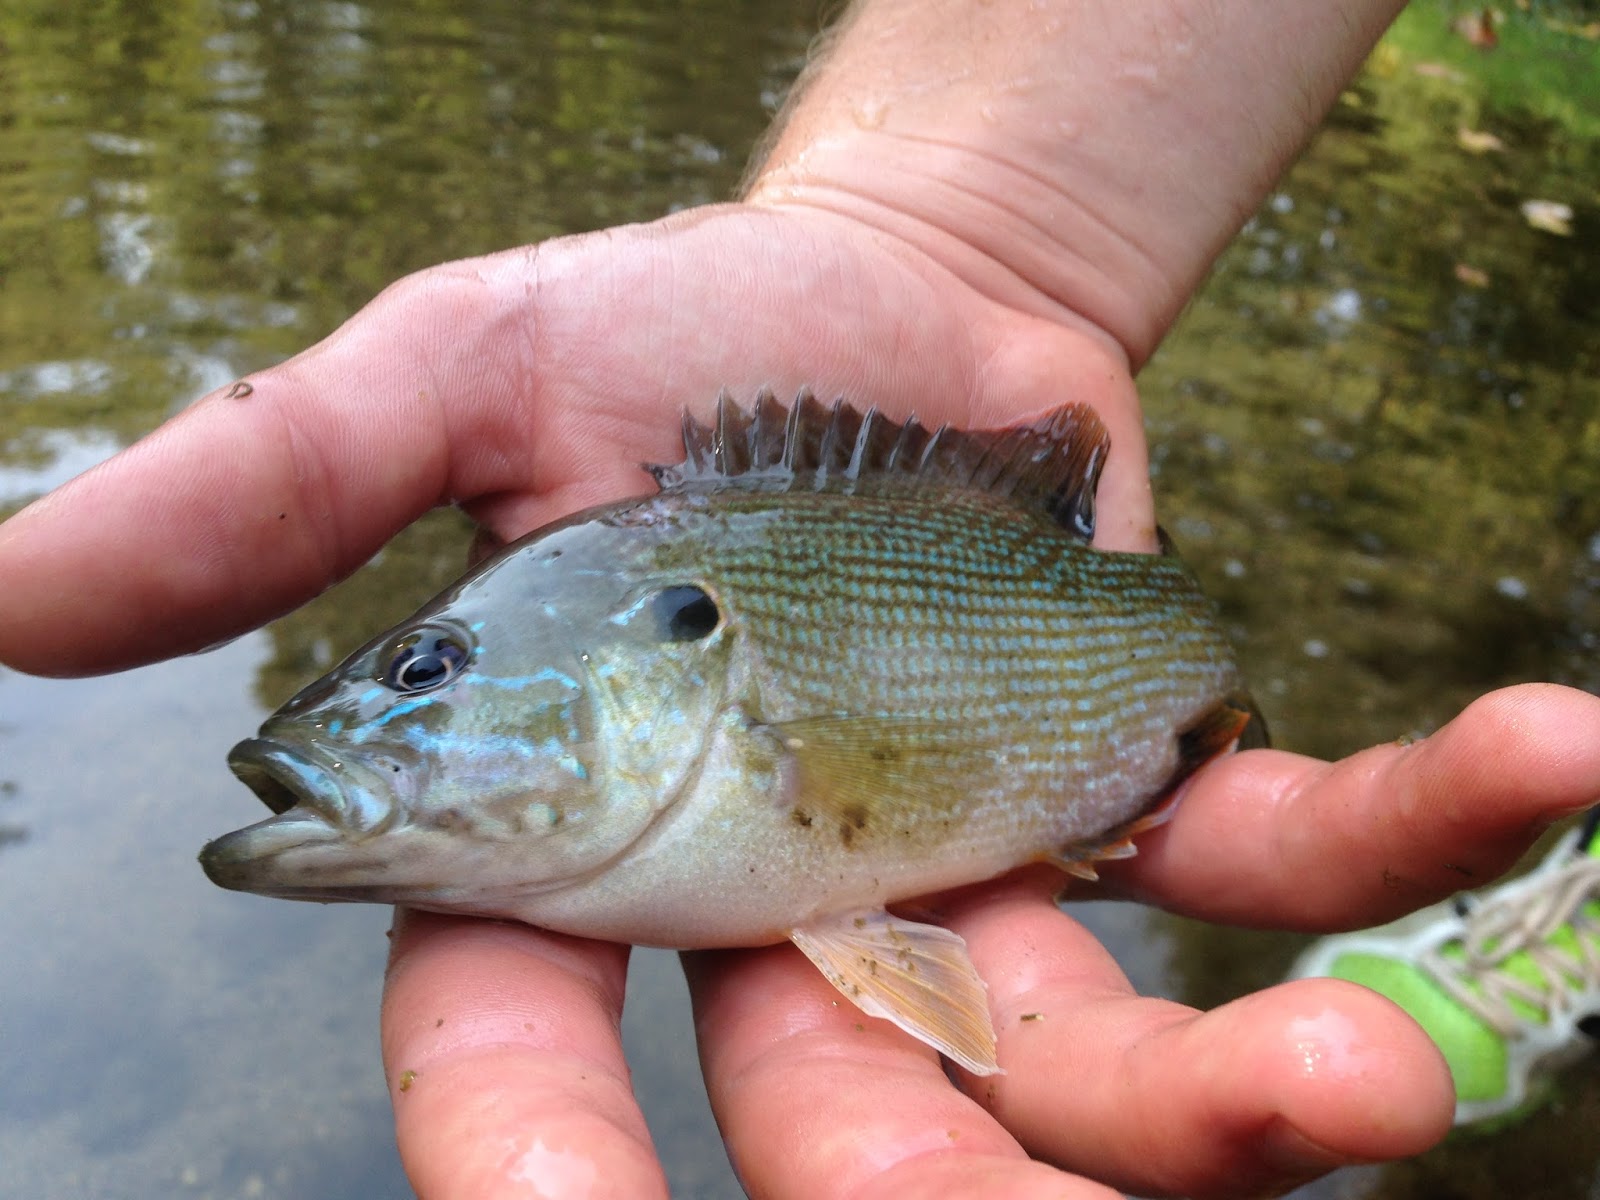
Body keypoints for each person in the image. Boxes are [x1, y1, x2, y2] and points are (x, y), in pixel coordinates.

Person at [2, 1, 1598, 1196]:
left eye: (427, 669)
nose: (396, 701)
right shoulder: (649, 637)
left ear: (684, 645)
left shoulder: (744, 644)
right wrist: (973, 221)